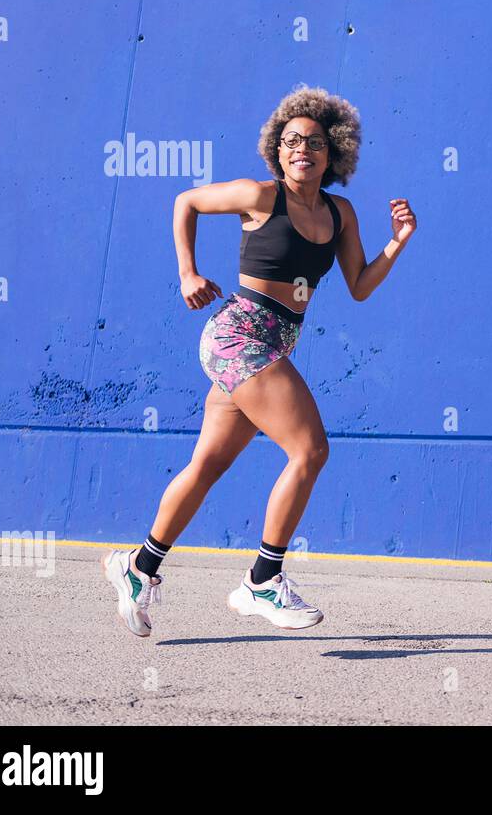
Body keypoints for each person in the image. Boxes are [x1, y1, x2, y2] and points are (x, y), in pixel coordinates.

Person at [100, 83, 416, 636]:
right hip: (239, 334)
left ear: (332, 152)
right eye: (292, 140)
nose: (302, 150)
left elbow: (360, 286)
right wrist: (188, 273)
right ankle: (262, 582)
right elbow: (187, 202)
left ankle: (138, 566)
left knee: (208, 466)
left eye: (315, 142)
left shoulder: (340, 214)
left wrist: (397, 243)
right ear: (277, 149)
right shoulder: (259, 195)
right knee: (310, 448)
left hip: (274, 343)